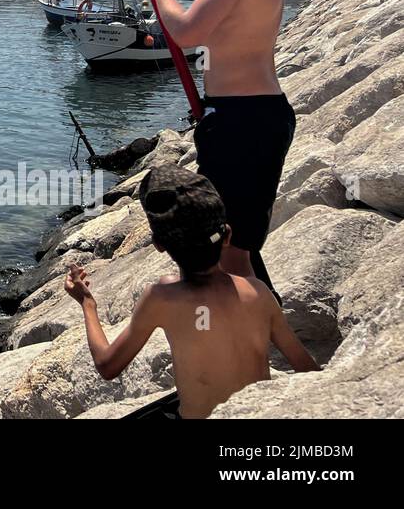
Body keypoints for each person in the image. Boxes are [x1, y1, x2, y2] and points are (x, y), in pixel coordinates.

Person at [105, 0, 293, 301]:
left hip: (249, 122)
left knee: (232, 251)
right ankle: (258, 329)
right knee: (231, 240)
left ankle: (256, 341)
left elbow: (186, 30)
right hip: (231, 115)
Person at [65, 165, 320, 419]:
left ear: (159, 245)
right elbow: (307, 369)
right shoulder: (258, 291)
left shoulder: (162, 296)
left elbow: (108, 366)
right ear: (227, 235)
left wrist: (87, 303)